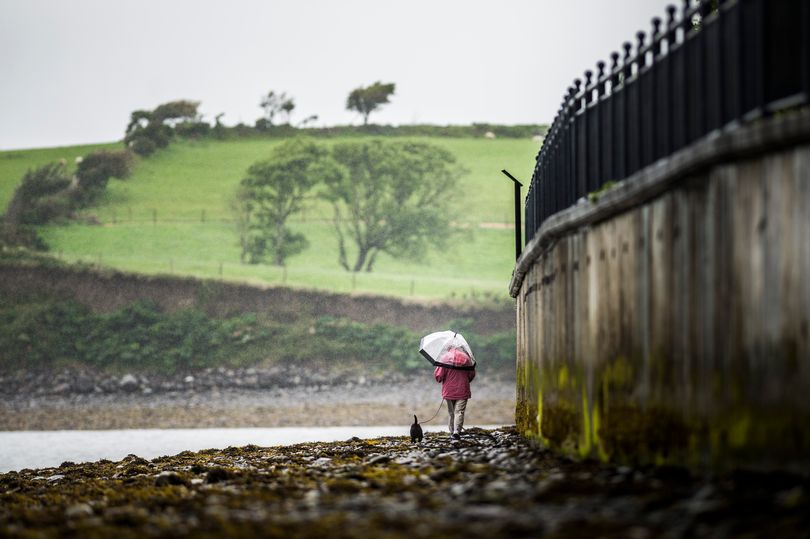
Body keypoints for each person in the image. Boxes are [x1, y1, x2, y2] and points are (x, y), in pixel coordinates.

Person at [434, 345, 475, 440]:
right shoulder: (467, 359)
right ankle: (457, 432)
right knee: (459, 412)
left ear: (449, 348)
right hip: (463, 389)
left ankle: (452, 432)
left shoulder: (444, 358)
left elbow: (438, 377)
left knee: (451, 412)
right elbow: (471, 375)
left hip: (449, 391)